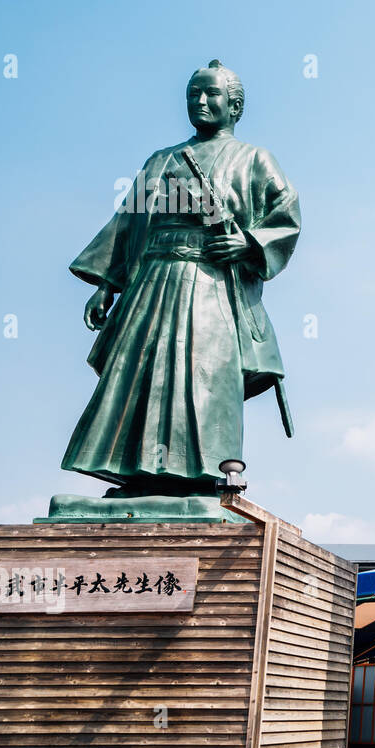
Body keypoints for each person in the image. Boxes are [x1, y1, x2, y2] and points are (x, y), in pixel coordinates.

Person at [62, 60, 300, 497]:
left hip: (210, 284)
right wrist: (107, 286)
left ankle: (203, 473)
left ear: (235, 106)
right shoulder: (161, 161)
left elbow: (285, 218)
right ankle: (136, 474)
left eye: (212, 94)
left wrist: (247, 244)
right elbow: (127, 226)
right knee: (139, 373)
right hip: (152, 282)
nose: (202, 101)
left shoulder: (254, 160)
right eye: (194, 94)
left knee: (203, 375)